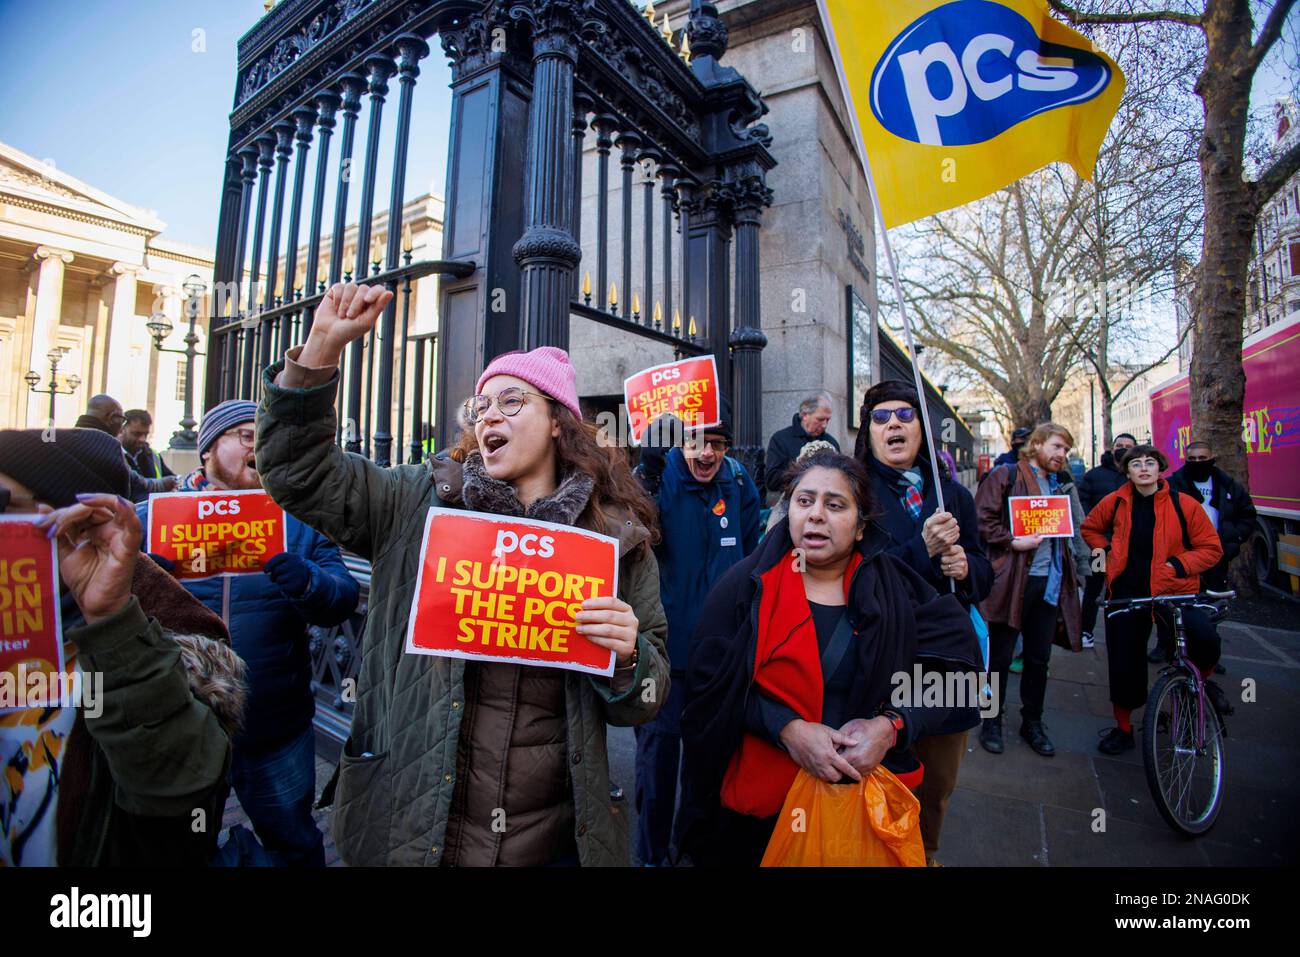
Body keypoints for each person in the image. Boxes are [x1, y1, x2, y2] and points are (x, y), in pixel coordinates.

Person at [256, 282, 670, 866]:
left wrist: (629, 659)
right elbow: (297, 472)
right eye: (482, 408)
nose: (489, 417)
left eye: (512, 401)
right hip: (419, 830)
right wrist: (320, 350)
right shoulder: (415, 502)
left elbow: (646, 701)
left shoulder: (617, 542)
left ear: (558, 422)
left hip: (551, 841)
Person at [677, 449, 982, 866]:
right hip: (759, 817)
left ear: (860, 527)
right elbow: (708, 687)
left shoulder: (897, 592)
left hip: (856, 816)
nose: (815, 515)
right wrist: (786, 729)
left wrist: (891, 726)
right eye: (804, 501)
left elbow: (957, 678)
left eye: (835, 504)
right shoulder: (744, 587)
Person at [0, 428, 239, 866]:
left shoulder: (171, 627)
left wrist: (110, 623)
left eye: (3, 506)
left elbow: (180, 784)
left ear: (72, 521)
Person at [140, 399, 359, 867]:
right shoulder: (151, 519)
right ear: (207, 449)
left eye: (267, 437)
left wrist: (308, 582)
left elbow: (340, 597)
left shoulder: (296, 521)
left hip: (274, 727)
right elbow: (95, 610)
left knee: (295, 843)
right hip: (180, 729)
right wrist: (139, 581)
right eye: (245, 435)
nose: (259, 447)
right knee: (178, 848)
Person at [854, 380, 992, 865]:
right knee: (881, 775)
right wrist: (922, 552)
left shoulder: (953, 495)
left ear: (922, 430)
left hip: (946, 667)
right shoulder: (855, 496)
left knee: (937, 783)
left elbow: (983, 569)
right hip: (883, 661)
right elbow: (860, 578)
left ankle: (924, 853)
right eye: (881, 417)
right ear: (868, 433)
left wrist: (967, 568)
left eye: (905, 416)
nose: (893, 424)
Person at [632, 405, 761, 866]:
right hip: (667, 652)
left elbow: (753, 554)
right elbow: (632, 529)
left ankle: (690, 849)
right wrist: (645, 472)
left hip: (723, 655)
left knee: (708, 761)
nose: (706, 453)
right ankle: (651, 854)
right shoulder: (658, 475)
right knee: (659, 756)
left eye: (718, 444)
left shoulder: (740, 481)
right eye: (696, 441)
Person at [1081, 445, 1231, 754]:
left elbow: (1211, 548)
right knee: (1124, 664)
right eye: (1136, 464)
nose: (1144, 468)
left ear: (1160, 468)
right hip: (1127, 593)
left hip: (1174, 591)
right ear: (1128, 471)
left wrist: (1179, 565)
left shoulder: (1183, 504)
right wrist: (1106, 552)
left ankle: (1203, 682)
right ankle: (1123, 729)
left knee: (1203, 638)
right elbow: (1090, 528)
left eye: (1150, 462)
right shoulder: (1116, 501)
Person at [974, 423, 1090, 757]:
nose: (1060, 455)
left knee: (1039, 658)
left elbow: (1075, 526)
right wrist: (1013, 540)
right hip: (1011, 583)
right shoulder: (1005, 475)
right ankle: (991, 721)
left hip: (1050, 584)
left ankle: (1033, 722)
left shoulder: (1063, 484)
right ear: (1036, 444)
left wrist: (1082, 569)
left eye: (1065, 450)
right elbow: (982, 521)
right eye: (1056, 447)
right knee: (999, 658)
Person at [1166, 440, 1257, 593]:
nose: (1197, 462)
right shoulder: (1171, 485)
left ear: (1211, 458)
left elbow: (1247, 514)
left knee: (1216, 596)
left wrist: (1235, 536)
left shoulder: (1228, 485)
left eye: (1202, 458)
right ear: (1186, 459)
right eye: (1192, 459)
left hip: (1217, 552)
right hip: (1184, 553)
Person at [1077, 433, 1137, 649]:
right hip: (1099, 547)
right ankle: (1086, 630)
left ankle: (1122, 632)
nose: (1122, 449)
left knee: (1123, 589)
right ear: (1112, 448)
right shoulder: (1094, 476)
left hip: (1128, 547)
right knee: (1094, 587)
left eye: (1127, 446)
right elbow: (1082, 502)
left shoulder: (1137, 476)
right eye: (1119, 445)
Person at [764, 392, 839, 495]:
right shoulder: (780, 439)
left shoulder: (831, 442)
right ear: (804, 415)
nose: (825, 425)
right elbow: (771, 480)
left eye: (828, 420)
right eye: (820, 419)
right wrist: (800, 470)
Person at [120, 408, 176, 482]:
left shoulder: (153, 455)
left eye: (146, 434)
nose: (142, 439)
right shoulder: (112, 455)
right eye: (137, 434)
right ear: (121, 430)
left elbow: (171, 480)